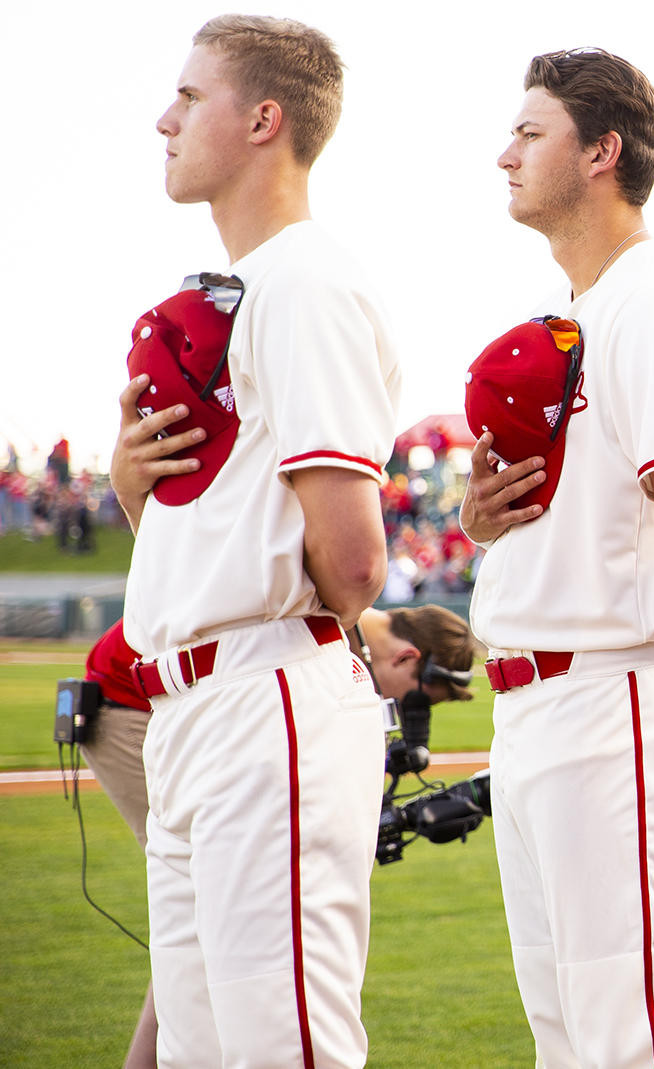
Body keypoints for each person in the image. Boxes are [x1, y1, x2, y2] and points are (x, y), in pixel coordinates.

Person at [109, 16, 399, 1066]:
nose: (166, 118)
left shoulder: (304, 282)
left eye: (192, 98)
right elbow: (224, 543)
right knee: (200, 1049)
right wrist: (135, 493)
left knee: (282, 1046)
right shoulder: (243, 289)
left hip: (266, 698)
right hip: (193, 705)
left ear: (265, 119)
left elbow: (354, 565)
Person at [463, 47, 654, 1066]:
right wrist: (480, 520)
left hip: (612, 696)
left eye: (530, 133)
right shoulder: (583, 309)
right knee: (571, 1039)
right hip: (545, 704)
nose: (506, 154)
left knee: (629, 1039)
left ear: (601, 153)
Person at [79, 606, 485, 1069]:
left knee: (208, 909)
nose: (408, 711)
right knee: (211, 901)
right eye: (416, 699)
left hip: (175, 702)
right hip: (133, 707)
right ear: (407, 657)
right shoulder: (327, 626)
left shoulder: (335, 622)